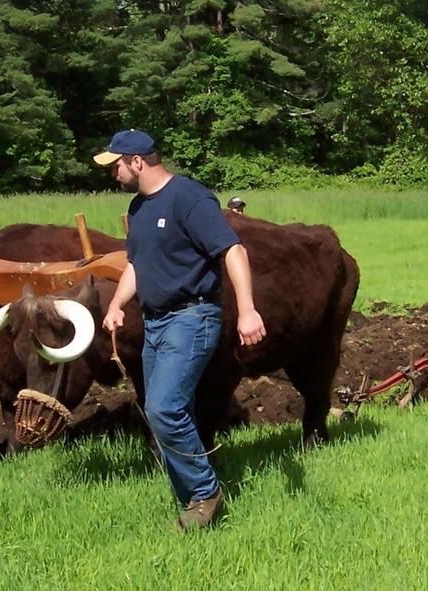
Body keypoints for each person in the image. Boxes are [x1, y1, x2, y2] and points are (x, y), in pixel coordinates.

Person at [95, 129, 266, 530]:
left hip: (192, 317)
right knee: (162, 413)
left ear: (138, 161)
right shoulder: (138, 208)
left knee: (163, 407)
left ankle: (205, 493)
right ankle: (190, 494)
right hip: (156, 321)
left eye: (116, 165)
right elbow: (136, 265)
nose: (113, 173)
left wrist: (247, 310)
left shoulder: (190, 198)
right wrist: (117, 305)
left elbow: (232, 250)